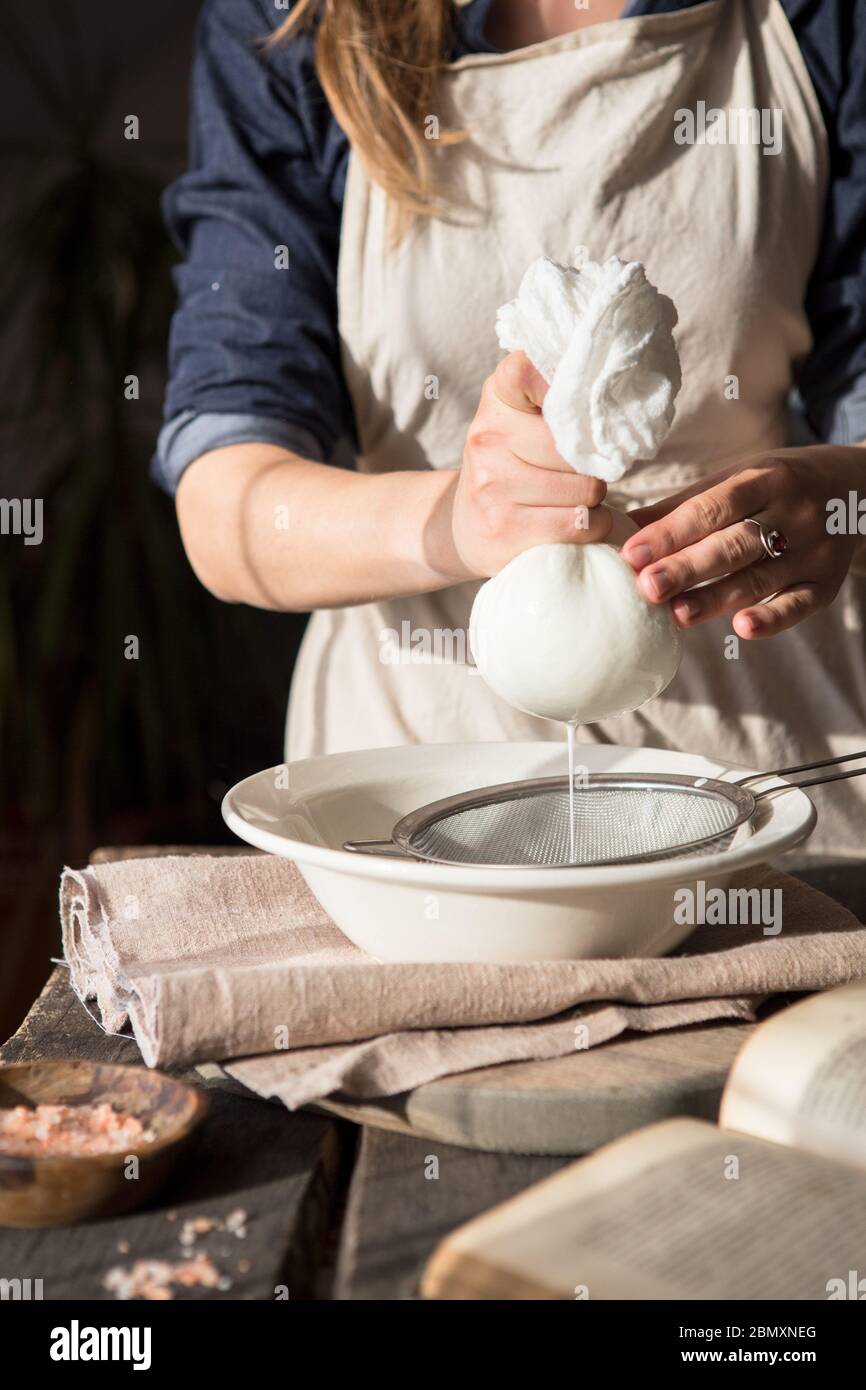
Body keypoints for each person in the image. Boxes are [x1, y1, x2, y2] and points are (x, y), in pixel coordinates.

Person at [156, 0, 866, 859]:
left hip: (774, 800)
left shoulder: (818, 17)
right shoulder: (289, 20)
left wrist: (845, 496)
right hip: (410, 796)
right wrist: (459, 520)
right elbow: (225, 505)